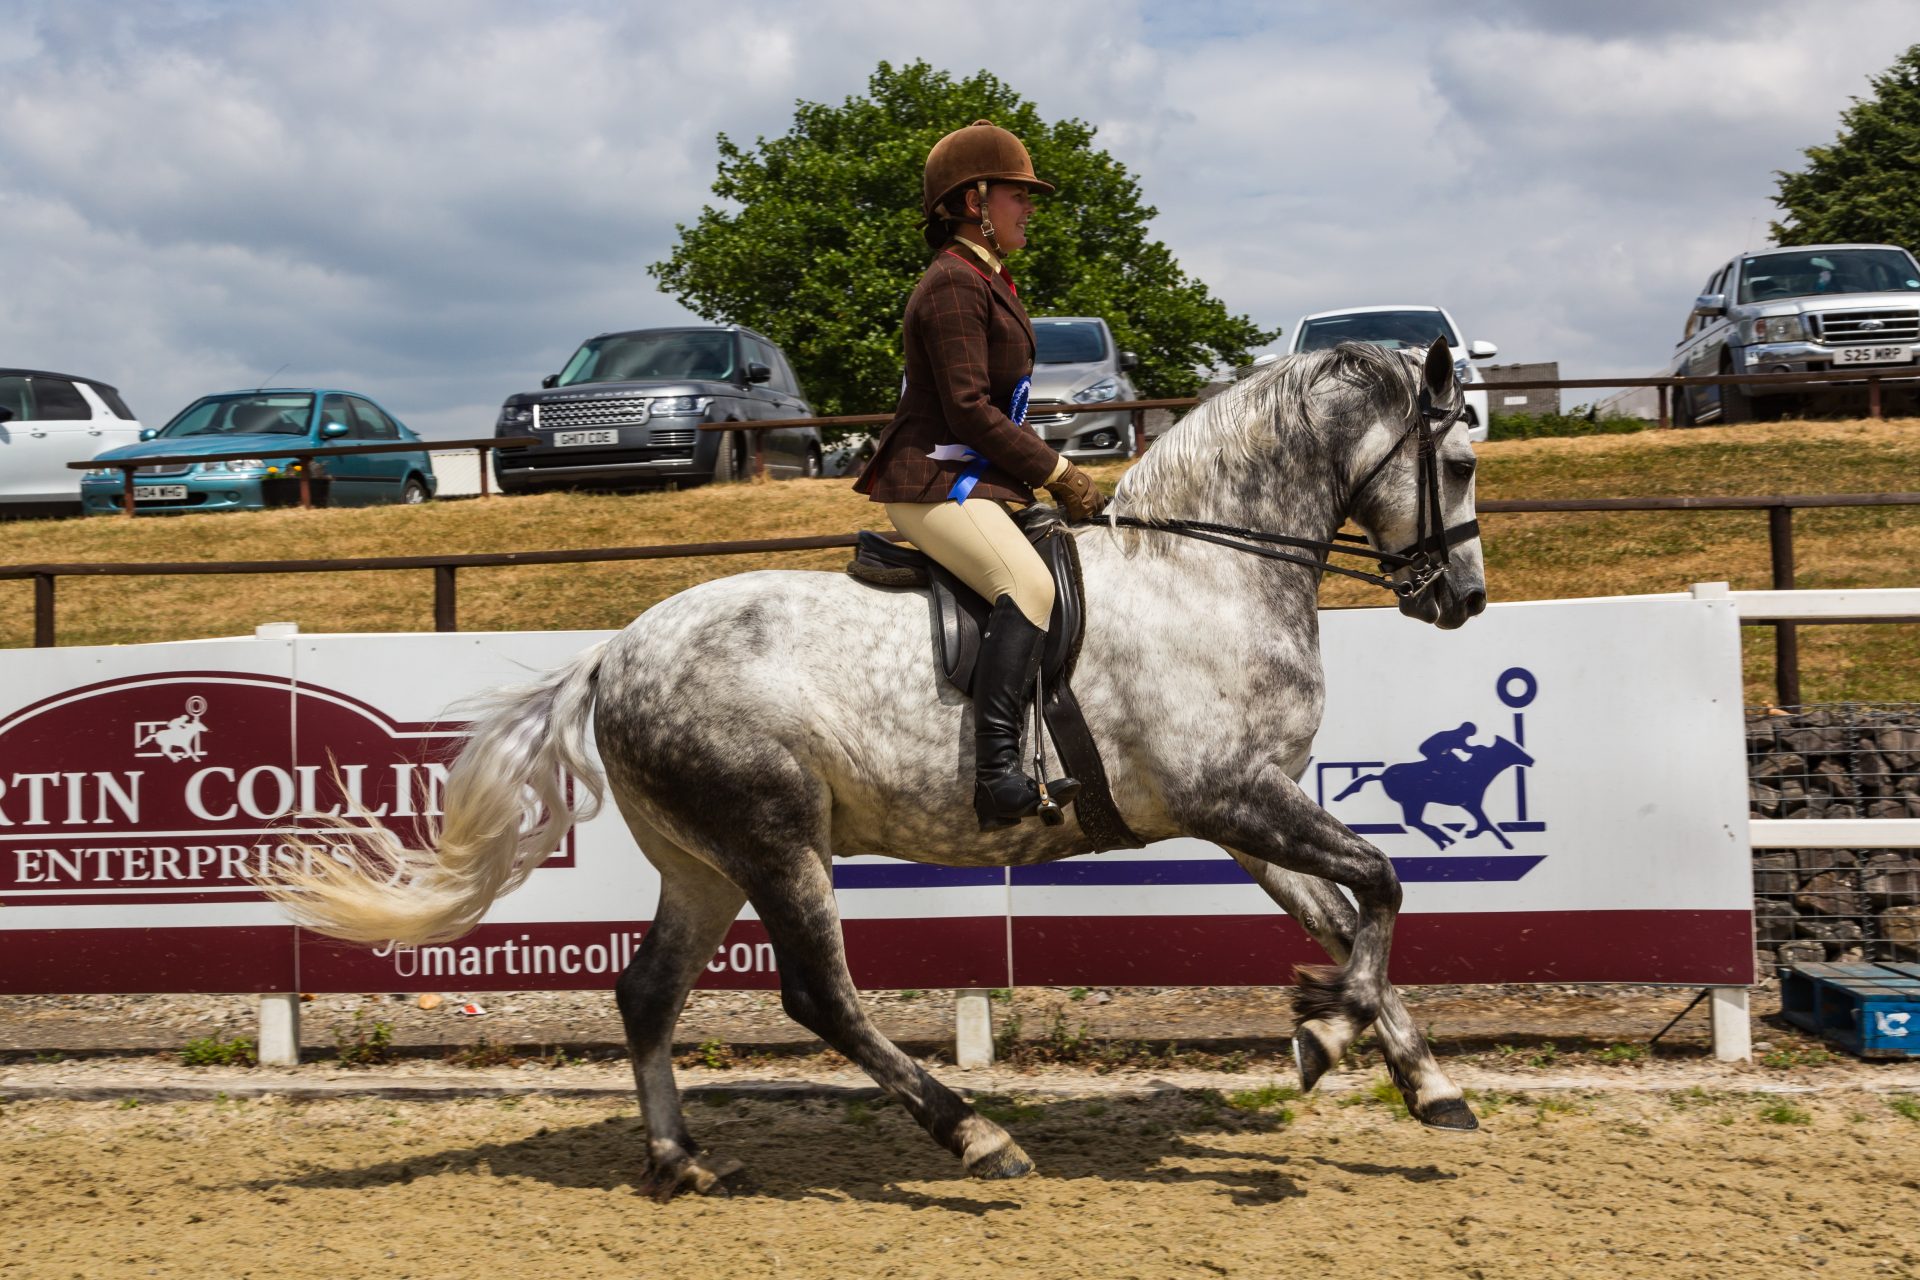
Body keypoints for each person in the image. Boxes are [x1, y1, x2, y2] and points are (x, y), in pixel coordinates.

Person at [854, 119, 1109, 832]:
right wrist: (1058, 470)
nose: (1029, 208)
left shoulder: (988, 281)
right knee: (1026, 586)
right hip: (932, 483)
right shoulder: (951, 285)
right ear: (975, 202)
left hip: (979, 481)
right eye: (1017, 195)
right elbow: (968, 410)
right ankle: (997, 775)